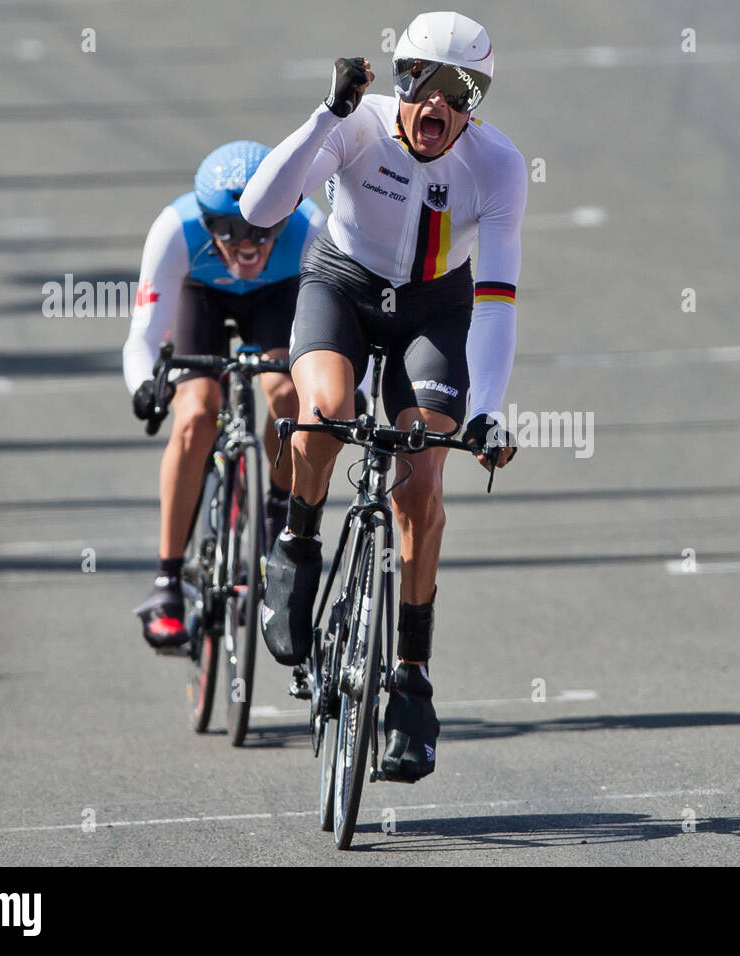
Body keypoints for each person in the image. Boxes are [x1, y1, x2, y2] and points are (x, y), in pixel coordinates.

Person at [239, 11, 526, 781]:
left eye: (463, 92)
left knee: (422, 479)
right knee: (323, 415)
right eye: (425, 82)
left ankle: (411, 675)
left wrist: (491, 407)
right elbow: (260, 211)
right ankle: (297, 546)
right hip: (342, 285)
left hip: (435, 308)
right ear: (399, 79)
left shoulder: (497, 166)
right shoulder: (355, 125)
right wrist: (323, 113)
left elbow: (497, 300)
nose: (439, 106)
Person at [123, 141, 326, 649]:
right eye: (230, 231)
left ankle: (278, 508)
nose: (248, 244)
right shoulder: (176, 229)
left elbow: (339, 330)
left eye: (262, 228)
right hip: (202, 296)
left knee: (286, 391)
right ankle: (166, 581)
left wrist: (357, 389)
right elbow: (144, 338)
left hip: (279, 299)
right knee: (196, 415)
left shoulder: (311, 228)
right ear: (206, 222)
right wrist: (145, 386)